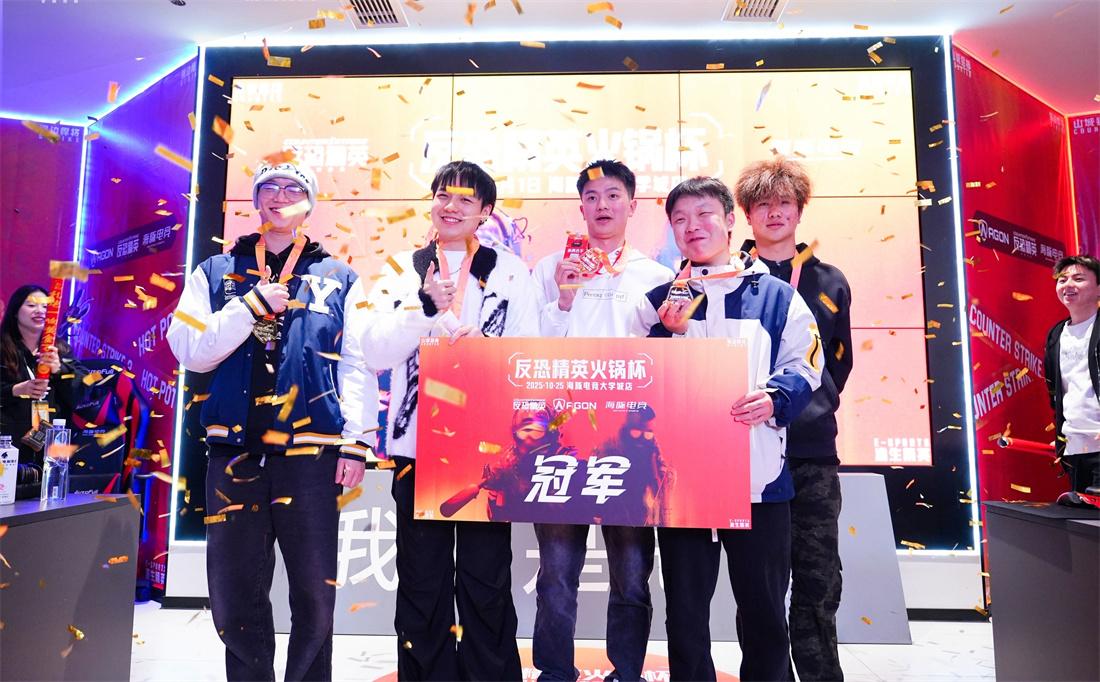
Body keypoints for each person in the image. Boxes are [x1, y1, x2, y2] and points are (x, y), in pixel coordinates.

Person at [167, 161, 376, 681]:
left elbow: (356, 363)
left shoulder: (339, 277)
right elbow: (189, 348)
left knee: (314, 592)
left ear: (310, 204)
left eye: (293, 188)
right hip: (234, 452)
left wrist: (356, 443)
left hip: (311, 454)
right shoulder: (215, 271)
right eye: (269, 188)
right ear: (256, 201)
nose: (280, 196)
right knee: (235, 590)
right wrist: (249, 307)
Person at [352, 160, 538, 679]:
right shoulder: (401, 268)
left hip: (488, 450)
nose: (451, 207)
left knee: (486, 577)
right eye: (443, 196)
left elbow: (527, 353)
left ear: (485, 212)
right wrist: (423, 311)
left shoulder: (510, 271)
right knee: (421, 578)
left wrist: (484, 348)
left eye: (465, 200)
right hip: (418, 447)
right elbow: (374, 351)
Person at [636, 176, 822, 681]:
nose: (692, 227)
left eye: (704, 215)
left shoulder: (776, 296)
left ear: (729, 220)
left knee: (764, 612)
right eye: (680, 219)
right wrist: (666, 334)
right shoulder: (658, 302)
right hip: (681, 485)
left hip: (758, 479)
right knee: (685, 616)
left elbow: (806, 362)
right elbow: (632, 376)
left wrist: (775, 398)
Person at [530, 159, 674, 681]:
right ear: (581, 207)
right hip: (563, 440)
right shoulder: (550, 270)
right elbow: (530, 353)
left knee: (632, 575)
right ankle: (554, 672)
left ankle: (627, 672)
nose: (602, 206)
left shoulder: (658, 277)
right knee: (556, 573)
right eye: (591, 197)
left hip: (630, 444)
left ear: (632, 205)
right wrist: (564, 300)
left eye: (613, 196)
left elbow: (669, 360)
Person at [735, 156, 852, 681]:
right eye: (763, 204)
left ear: (800, 210)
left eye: (785, 202)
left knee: (818, 582)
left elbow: (838, 363)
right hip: (748, 453)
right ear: (746, 214)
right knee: (760, 589)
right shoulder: (728, 277)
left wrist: (809, 408)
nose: (774, 212)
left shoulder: (829, 280)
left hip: (810, 454)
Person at [0, 284, 82, 492]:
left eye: (45, 307)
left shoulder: (60, 350)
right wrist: (16, 390)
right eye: (31, 305)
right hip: (8, 443)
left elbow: (82, 395)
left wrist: (60, 370)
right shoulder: (3, 348)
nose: (39, 311)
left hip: (50, 446)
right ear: (15, 311)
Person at [440, 406, 577, 521]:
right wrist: (496, 491)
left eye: (537, 431)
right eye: (524, 432)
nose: (529, 440)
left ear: (550, 434)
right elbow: (497, 517)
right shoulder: (508, 464)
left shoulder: (566, 461)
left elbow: (564, 511)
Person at [1044, 254, 1100, 504]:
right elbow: (1055, 390)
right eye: (1062, 279)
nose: (1068, 285)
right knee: (1081, 524)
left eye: (1078, 279)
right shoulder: (1056, 334)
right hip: (1074, 446)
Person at [587, 405, 672, 527]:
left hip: (637, 513)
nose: (643, 437)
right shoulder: (611, 448)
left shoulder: (651, 448)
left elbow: (659, 481)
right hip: (614, 514)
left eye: (648, 433)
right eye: (637, 431)